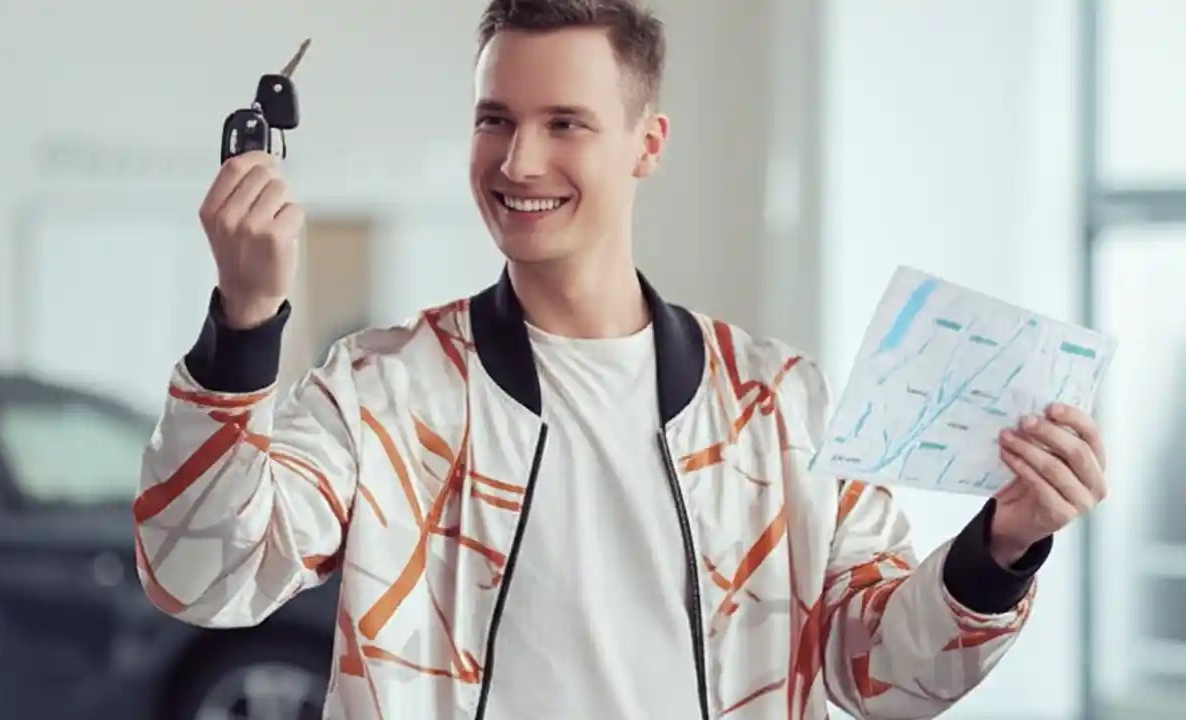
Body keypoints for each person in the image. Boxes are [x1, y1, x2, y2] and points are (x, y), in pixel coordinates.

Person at [134, 1, 1110, 718]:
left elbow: (880, 671)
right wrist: (245, 321)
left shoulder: (776, 404)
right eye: (494, 119)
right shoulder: (382, 392)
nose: (517, 162)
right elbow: (202, 576)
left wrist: (1000, 550)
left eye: (564, 123)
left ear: (647, 144)